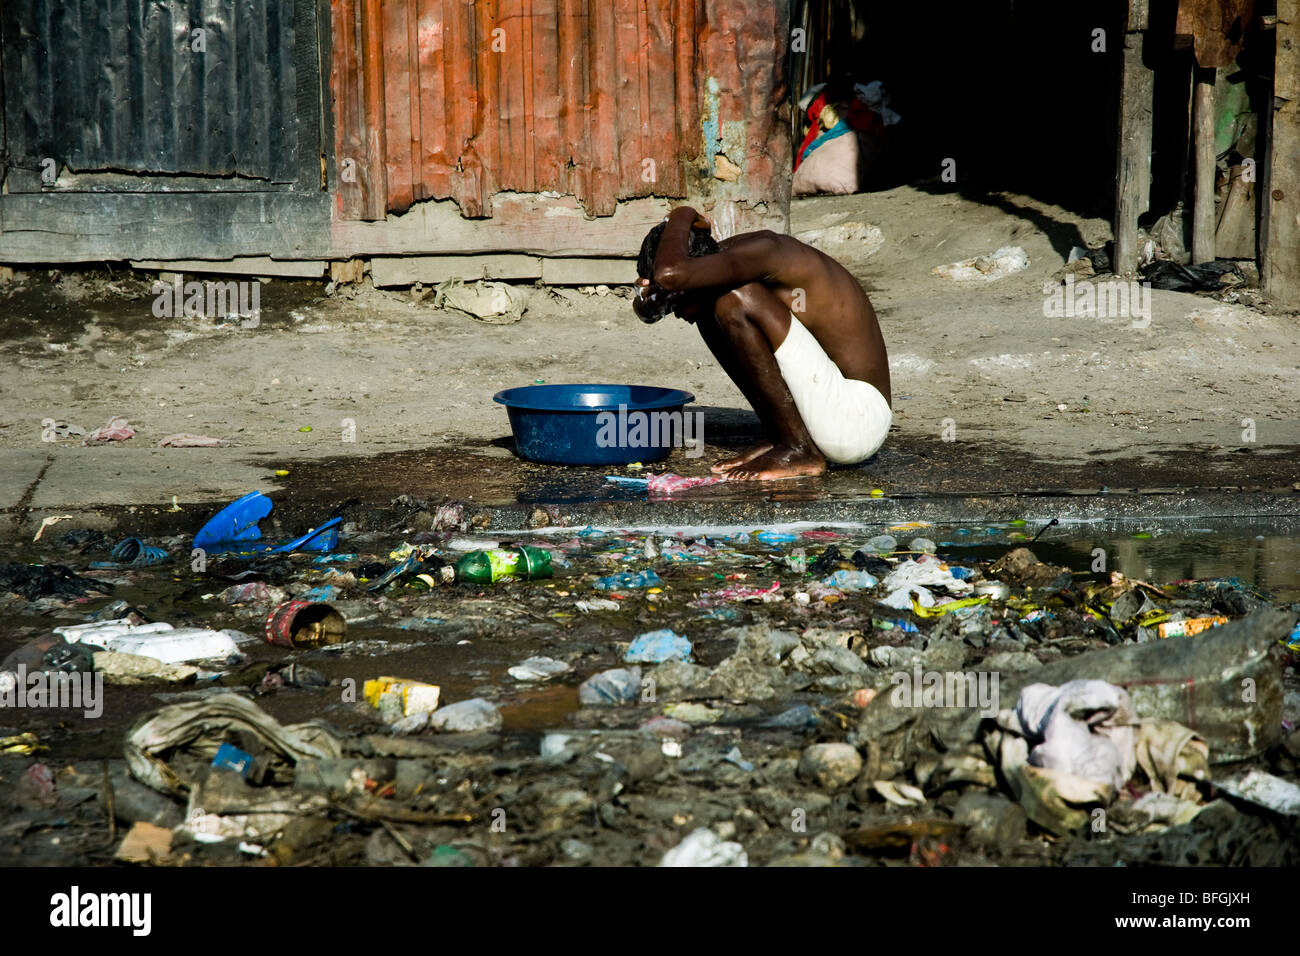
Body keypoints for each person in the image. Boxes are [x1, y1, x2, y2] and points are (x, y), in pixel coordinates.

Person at [633, 205, 891, 480]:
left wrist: (682, 213)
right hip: (828, 416)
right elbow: (653, 301)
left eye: (678, 303)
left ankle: (798, 450)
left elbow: (671, 274)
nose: (680, 315)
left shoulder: (766, 251)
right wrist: (649, 297)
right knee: (710, 306)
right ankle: (784, 436)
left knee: (734, 301)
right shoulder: (717, 259)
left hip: (857, 423)